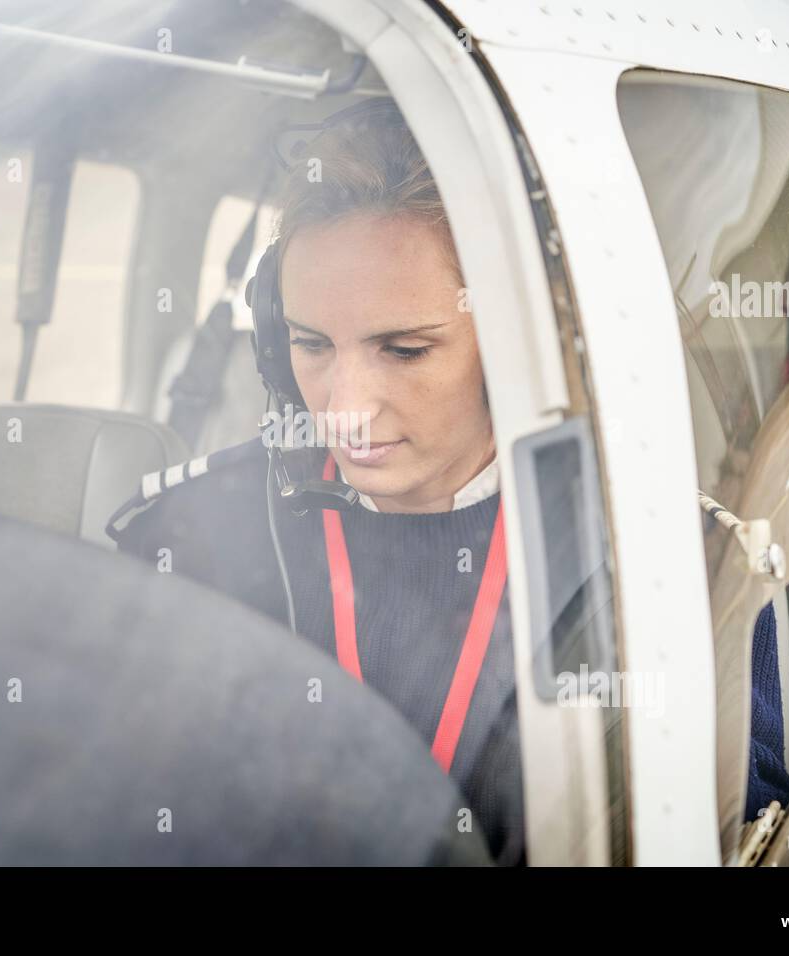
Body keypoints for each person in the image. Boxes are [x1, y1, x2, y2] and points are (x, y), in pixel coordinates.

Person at [108, 98, 525, 865]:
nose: (346, 409)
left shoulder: (649, 557)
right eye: (310, 344)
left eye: (403, 349)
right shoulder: (184, 539)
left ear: (515, 336)